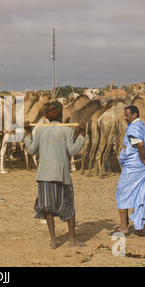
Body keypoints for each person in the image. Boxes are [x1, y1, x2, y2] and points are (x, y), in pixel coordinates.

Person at [23, 101, 86, 249]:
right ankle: (72, 240)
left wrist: (27, 132)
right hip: (61, 174)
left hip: (44, 174)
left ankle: (53, 241)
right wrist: (82, 133)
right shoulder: (67, 130)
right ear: (60, 113)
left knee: (47, 208)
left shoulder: (39, 130)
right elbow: (73, 151)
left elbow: (31, 150)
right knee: (69, 206)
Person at [116, 105, 145, 237]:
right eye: (125, 114)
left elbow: (140, 144)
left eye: (127, 115)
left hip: (133, 167)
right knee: (141, 194)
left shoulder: (133, 128)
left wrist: (143, 158)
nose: (125, 117)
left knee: (122, 194)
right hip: (143, 168)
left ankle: (124, 227)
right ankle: (139, 228)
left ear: (135, 115)